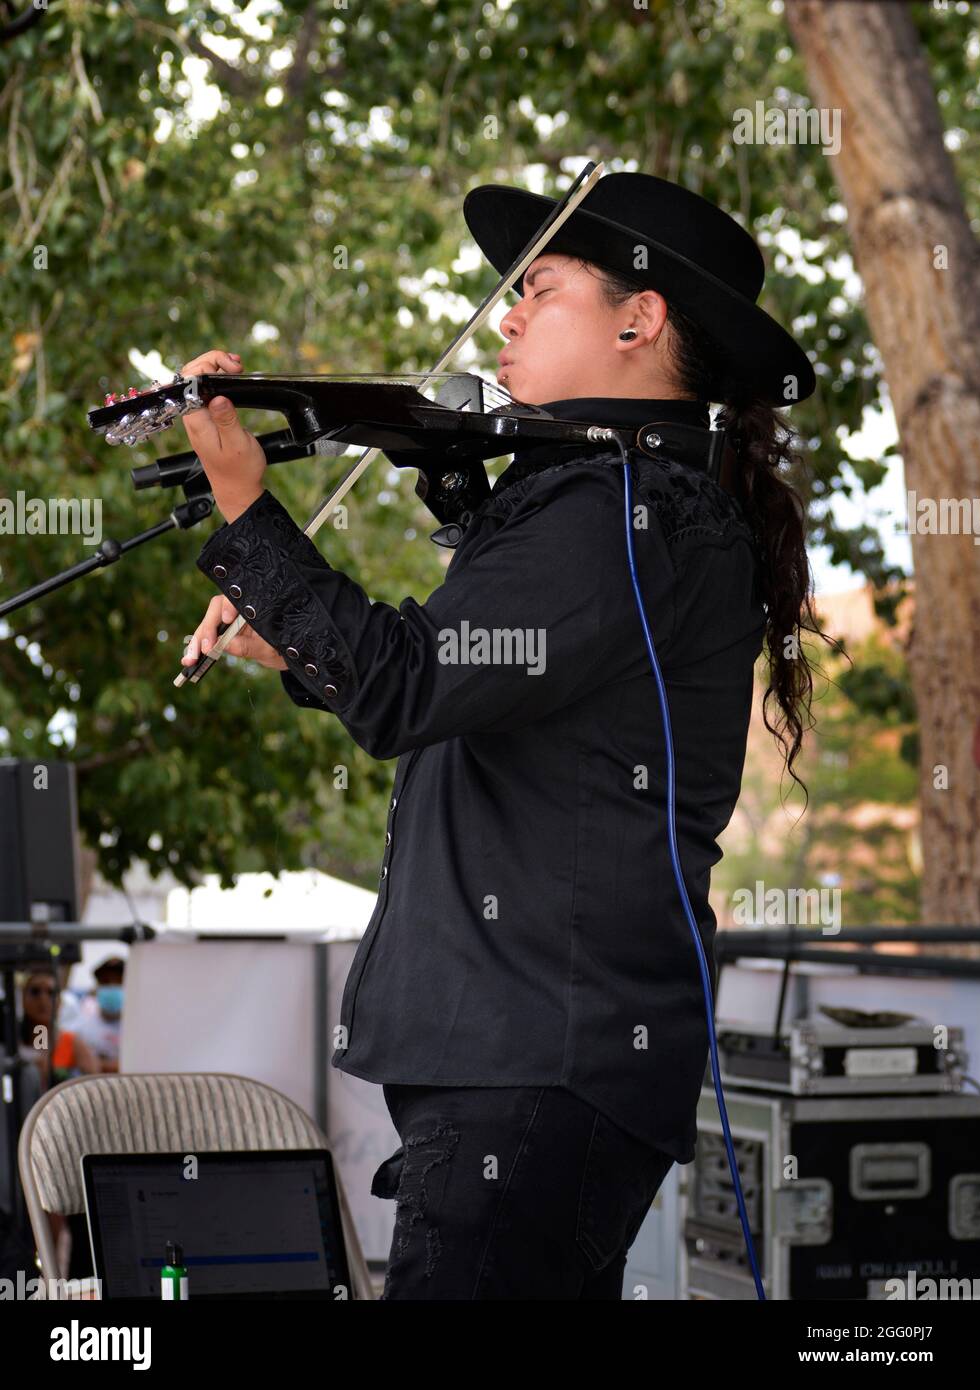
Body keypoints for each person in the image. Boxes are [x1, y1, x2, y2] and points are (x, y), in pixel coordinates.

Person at [176, 171, 820, 1300]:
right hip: (536, 1066)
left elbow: (403, 687)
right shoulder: (620, 506)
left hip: (535, 1064)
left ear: (639, 316)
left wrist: (246, 506)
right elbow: (460, 695)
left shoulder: (622, 513)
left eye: (542, 287)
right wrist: (295, 639)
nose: (508, 315)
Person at [72, 955, 126, 1074]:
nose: (112, 986)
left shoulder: (142, 1029)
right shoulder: (80, 1027)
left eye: (119, 981)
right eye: (106, 981)